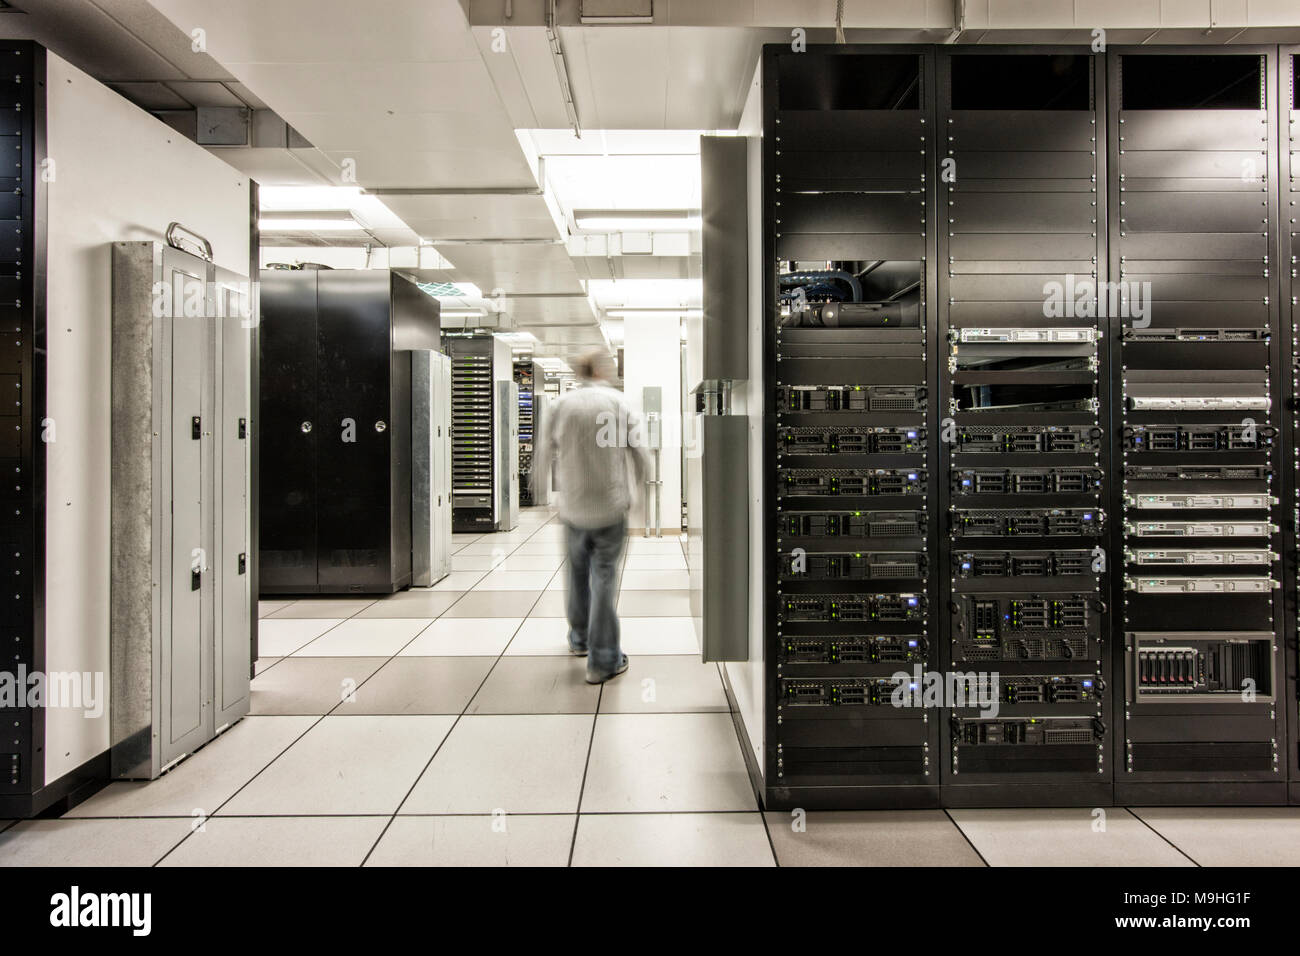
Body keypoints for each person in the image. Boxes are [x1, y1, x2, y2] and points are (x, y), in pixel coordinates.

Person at [531, 350, 651, 683]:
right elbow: (641, 451)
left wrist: (543, 496)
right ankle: (603, 661)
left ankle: (579, 639)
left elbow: (542, 454)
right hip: (610, 508)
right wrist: (641, 494)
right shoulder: (617, 402)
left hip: (572, 509)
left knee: (576, 574)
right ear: (600, 370)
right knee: (604, 579)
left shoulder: (560, 406)